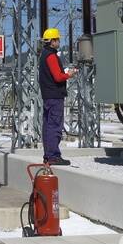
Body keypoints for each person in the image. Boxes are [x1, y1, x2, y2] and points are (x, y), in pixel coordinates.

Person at [38, 28, 77, 166]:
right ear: (52, 41)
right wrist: (69, 75)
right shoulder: (51, 56)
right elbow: (58, 76)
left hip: (47, 95)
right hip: (55, 96)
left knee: (48, 125)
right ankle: (54, 156)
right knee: (55, 126)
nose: (59, 41)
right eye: (58, 39)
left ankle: (48, 155)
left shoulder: (43, 55)